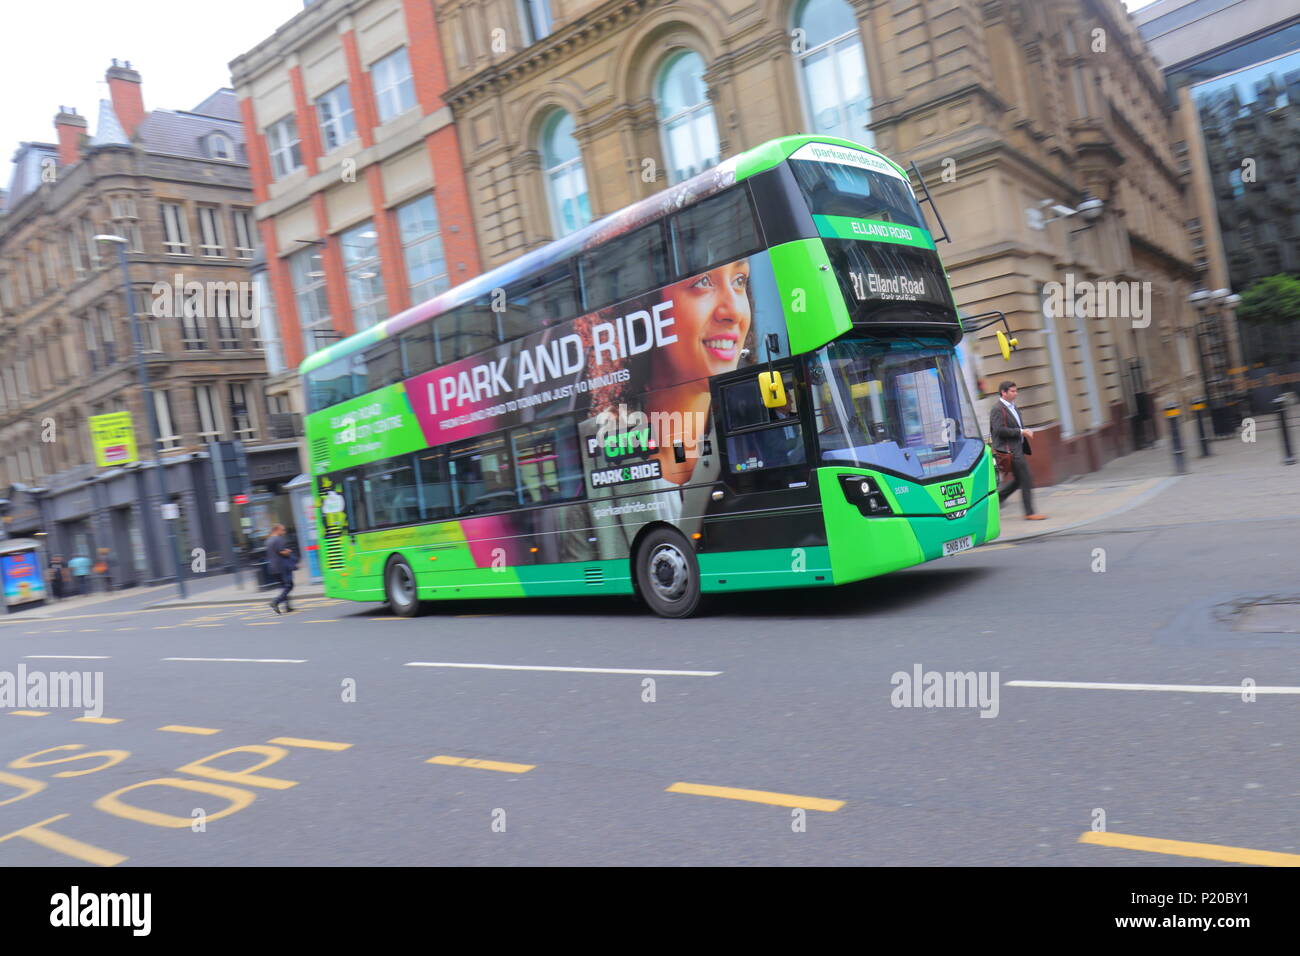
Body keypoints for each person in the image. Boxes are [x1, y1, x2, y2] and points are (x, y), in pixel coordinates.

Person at [989, 381, 1046, 520]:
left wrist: (1022, 432)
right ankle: (1030, 512)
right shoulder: (997, 409)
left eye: (1016, 391)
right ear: (1004, 392)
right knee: (1026, 479)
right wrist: (1021, 432)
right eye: (1013, 391)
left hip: (1017, 449)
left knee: (1019, 480)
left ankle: (995, 501)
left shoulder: (1013, 407)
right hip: (1010, 451)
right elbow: (998, 430)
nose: (1016, 393)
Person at [265, 524, 296, 614]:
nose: (284, 532)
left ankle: (287, 607)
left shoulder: (268, 540)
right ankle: (275, 601)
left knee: (284, 586)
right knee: (289, 585)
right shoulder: (278, 539)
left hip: (273, 567)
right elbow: (282, 552)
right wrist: (288, 552)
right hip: (281, 566)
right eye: (283, 530)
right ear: (277, 530)